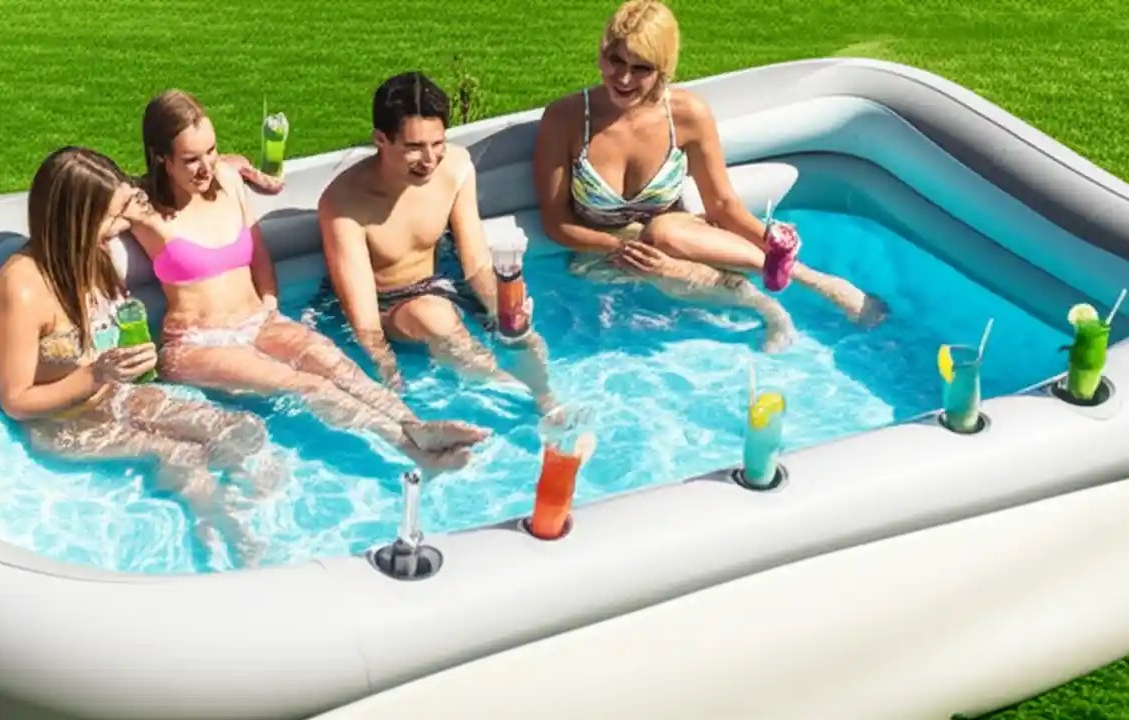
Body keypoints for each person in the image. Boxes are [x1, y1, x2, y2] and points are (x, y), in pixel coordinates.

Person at [124, 89, 489, 471]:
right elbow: (81, 198)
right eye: (190, 159)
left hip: (258, 320)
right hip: (195, 342)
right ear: (161, 157)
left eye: (211, 151)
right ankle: (410, 448)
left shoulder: (227, 179)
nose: (206, 167)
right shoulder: (141, 206)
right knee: (307, 384)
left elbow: (260, 253)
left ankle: (418, 426)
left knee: (334, 363)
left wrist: (269, 303)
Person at [0, 146, 283, 569]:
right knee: (180, 455)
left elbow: (157, 184)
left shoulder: (90, 258)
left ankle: (239, 510)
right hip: (59, 421)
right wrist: (93, 376)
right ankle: (229, 545)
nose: (122, 226)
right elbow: (15, 401)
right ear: (76, 218)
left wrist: (227, 165)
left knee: (239, 428)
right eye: (110, 218)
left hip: (111, 394)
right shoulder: (22, 288)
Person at [531, 0, 886, 352]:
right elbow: (555, 222)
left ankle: (813, 279)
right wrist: (619, 246)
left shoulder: (687, 116)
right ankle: (768, 309)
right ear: (601, 53)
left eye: (641, 68)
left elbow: (721, 204)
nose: (623, 78)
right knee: (659, 257)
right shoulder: (566, 119)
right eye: (615, 61)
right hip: (605, 253)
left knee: (664, 231)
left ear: (662, 70)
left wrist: (769, 237)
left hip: (681, 237)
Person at [317, 72, 557, 411]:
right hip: (390, 307)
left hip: (441, 285)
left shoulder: (455, 167)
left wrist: (504, 312)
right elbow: (365, 320)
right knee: (433, 314)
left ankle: (548, 399)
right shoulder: (344, 203)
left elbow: (475, 263)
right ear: (380, 140)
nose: (430, 159)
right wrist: (388, 379)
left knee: (519, 326)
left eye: (437, 143)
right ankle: (520, 399)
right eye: (414, 148)